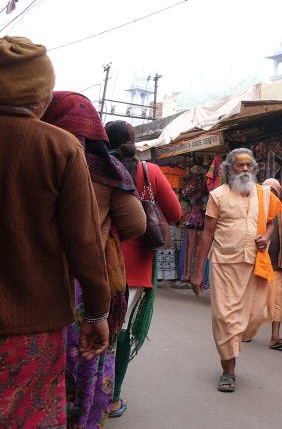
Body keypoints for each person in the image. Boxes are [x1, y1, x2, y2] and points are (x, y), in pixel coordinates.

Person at [0, 36, 111, 427]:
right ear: (41, 96)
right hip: (33, 326)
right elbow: (84, 243)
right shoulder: (59, 147)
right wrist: (96, 311)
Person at [42, 92, 147, 428]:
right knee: (89, 351)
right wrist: (102, 221)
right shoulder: (109, 168)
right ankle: (82, 416)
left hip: (37, 275)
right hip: (88, 278)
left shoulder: (37, 153)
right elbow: (135, 224)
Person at [105, 120, 182, 416]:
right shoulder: (149, 172)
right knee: (120, 331)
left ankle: (84, 389)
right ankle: (113, 397)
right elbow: (174, 213)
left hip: (95, 261)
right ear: (134, 141)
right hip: (135, 266)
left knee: (92, 324)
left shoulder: (93, 167)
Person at [191, 148, 282, 392]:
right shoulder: (217, 195)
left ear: (254, 169)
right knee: (225, 319)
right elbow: (207, 233)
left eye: (248, 166)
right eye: (239, 165)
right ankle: (228, 371)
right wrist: (198, 271)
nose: (244, 169)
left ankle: (232, 349)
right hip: (224, 265)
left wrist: (267, 236)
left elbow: (273, 220)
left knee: (257, 315)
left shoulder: (264, 194)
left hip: (254, 264)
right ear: (229, 169)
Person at [257, 178, 282, 350]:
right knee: (254, 299)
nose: (270, 194)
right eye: (267, 191)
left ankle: (275, 336)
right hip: (256, 263)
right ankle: (246, 331)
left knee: (276, 301)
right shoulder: (255, 209)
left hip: (276, 264)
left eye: (274, 192)